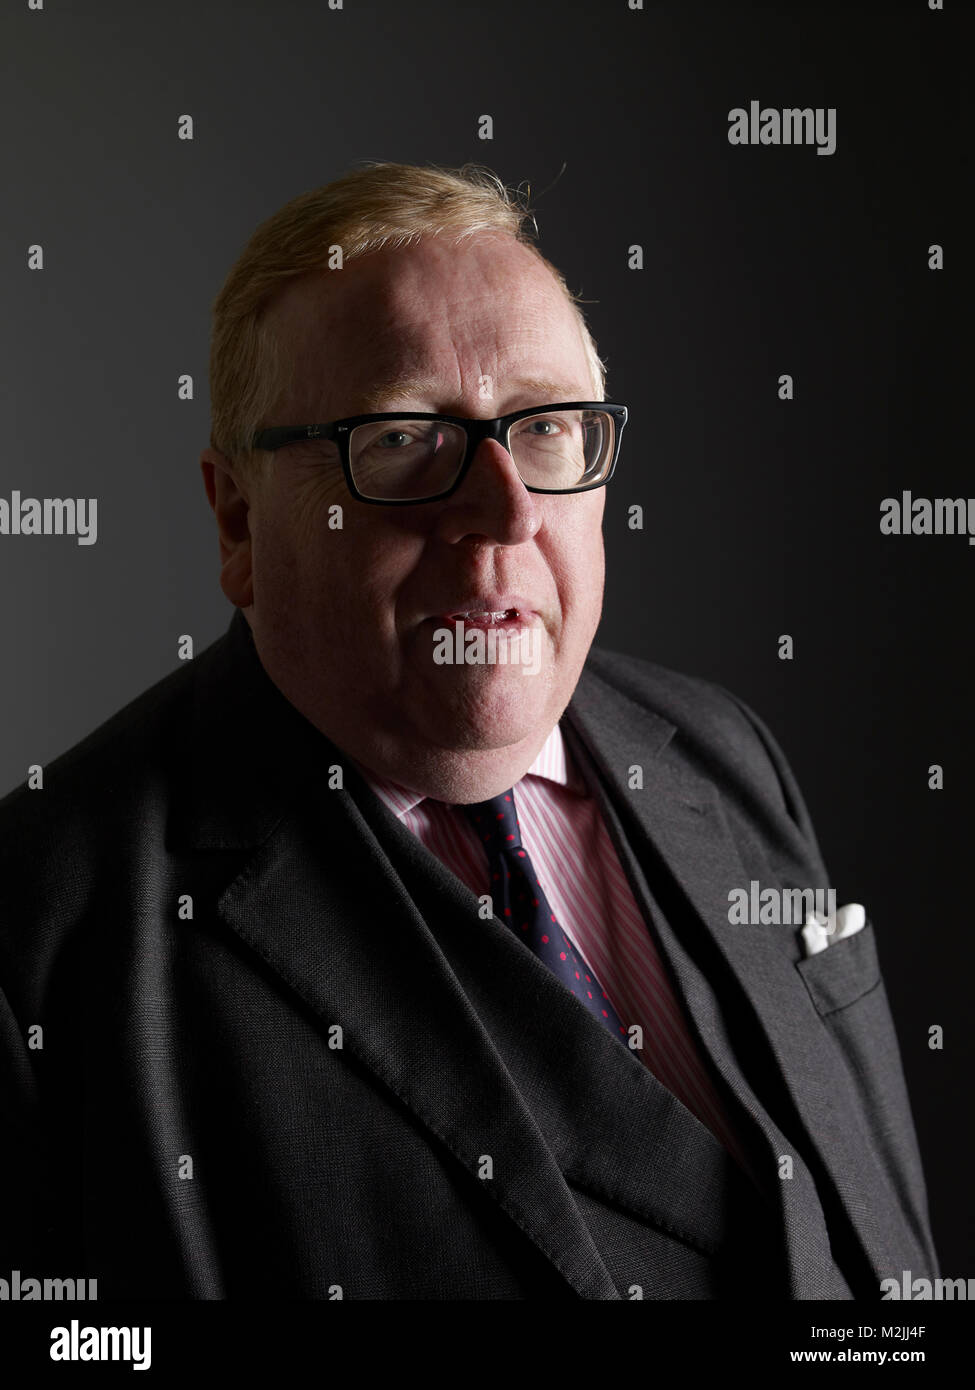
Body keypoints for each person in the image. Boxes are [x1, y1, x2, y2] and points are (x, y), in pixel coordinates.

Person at [0, 161, 937, 1300]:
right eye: (402, 442)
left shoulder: (720, 750)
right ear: (238, 517)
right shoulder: (38, 939)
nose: (505, 512)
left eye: (547, 430)